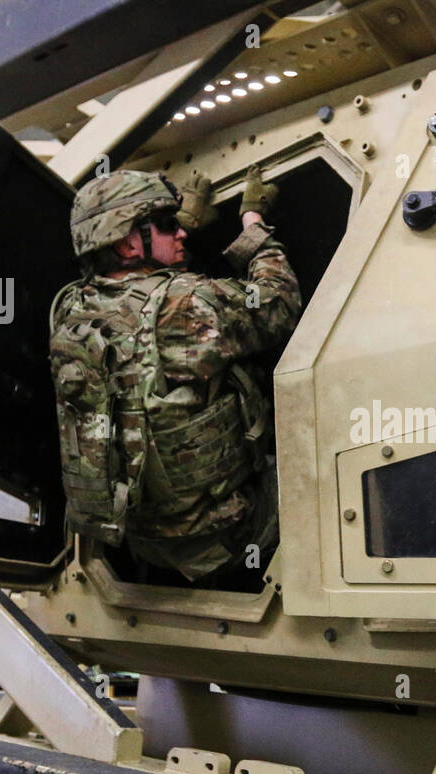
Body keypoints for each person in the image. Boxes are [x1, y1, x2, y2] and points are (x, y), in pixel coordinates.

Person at [50, 166, 301, 582]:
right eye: (167, 227)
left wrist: (177, 228)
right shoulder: (187, 305)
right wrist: (252, 224)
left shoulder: (69, 310)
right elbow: (279, 300)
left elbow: (143, 306)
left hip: (142, 539)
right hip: (226, 537)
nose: (180, 234)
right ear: (130, 244)